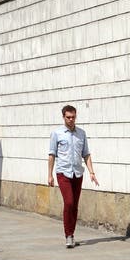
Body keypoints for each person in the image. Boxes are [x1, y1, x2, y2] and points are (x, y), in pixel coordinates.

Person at [48, 104, 99, 248]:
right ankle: (68, 235)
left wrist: (91, 172)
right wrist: (50, 175)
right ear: (63, 117)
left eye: (73, 117)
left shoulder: (81, 133)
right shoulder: (57, 133)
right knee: (69, 203)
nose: (71, 120)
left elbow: (86, 154)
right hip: (63, 173)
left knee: (75, 205)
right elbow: (52, 155)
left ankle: (71, 234)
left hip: (77, 173)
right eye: (68, 117)